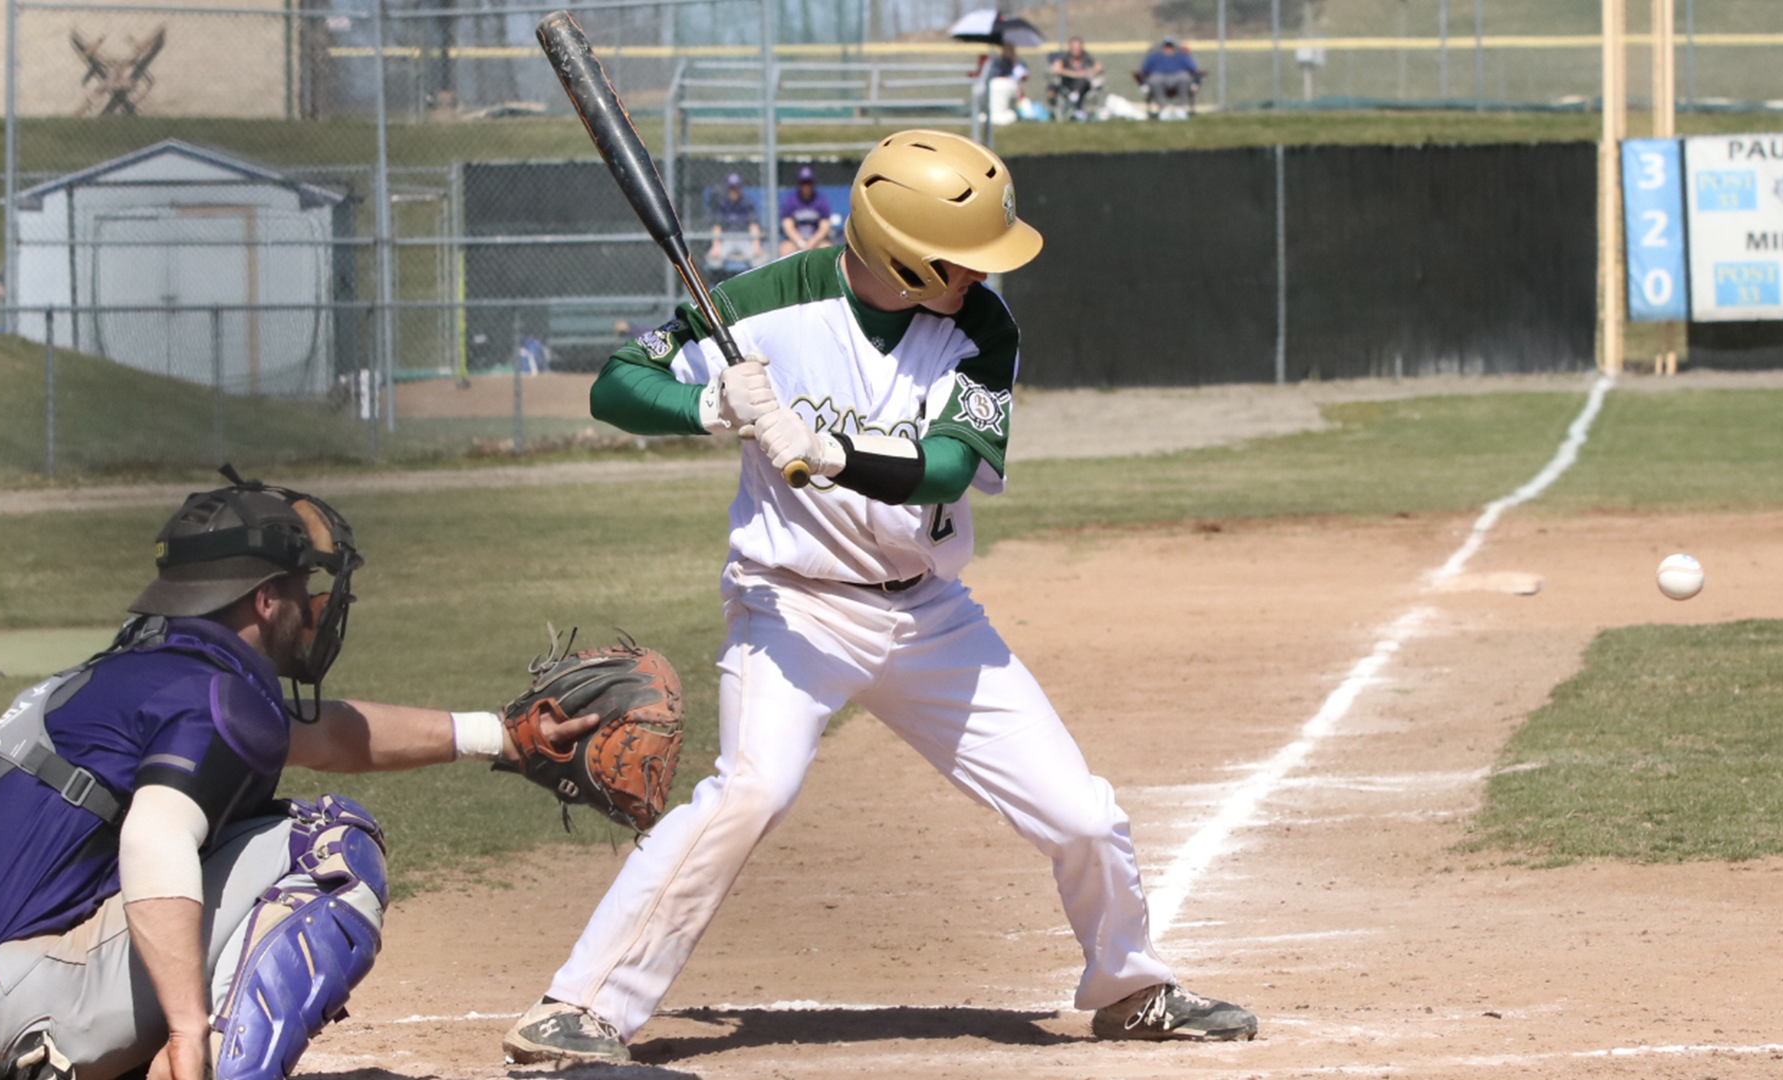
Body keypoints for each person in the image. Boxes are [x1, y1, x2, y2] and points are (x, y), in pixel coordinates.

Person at [500, 129, 1259, 1068]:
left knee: (1082, 815)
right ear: (902, 252)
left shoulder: (982, 325)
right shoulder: (764, 303)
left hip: (929, 615)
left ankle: (1129, 988)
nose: (981, 276)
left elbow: (947, 465)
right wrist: (709, 408)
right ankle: (576, 1009)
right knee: (751, 790)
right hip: (790, 607)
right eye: (962, 258)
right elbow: (617, 384)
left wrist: (833, 452)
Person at [0, 473, 597, 1080]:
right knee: (329, 845)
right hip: (35, 1004)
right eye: (303, 589)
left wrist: (501, 737)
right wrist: (189, 1032)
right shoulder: (214, 698)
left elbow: (330, 734)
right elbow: (153, 839)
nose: (313, 607)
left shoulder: (148, 675)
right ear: (267, 599)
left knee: (248, 831)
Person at [704, 173, 764, 287]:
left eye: (736, 188)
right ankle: (718, 287)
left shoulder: (746, 202)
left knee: (759, 259)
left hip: (744, 239)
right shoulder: (722, 203)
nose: (734, 191)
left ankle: (754, 287)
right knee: (713, 259)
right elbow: (717, 226)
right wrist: (716, 246)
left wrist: (756, 245)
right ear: (727, 188)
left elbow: (753, 225)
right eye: (731, 188)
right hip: (726, 239)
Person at [1138, 36, 1201, 120]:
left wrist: (1196, 82)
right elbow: (1144, 70)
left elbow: (1194, 70)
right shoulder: (1154, 56)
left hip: (1178, 76)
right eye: (1166, 46)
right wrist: (1143, 83)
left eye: (1170, 46)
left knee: (1185, 78)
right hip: (1159, 76)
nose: (1168, 48)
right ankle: (1163, 109)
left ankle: (1181, 108)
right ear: (1163, 47)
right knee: (1154, 80)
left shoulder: (1183, 56)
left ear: (1174, 47)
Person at [777, 165, 834, 257]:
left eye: (808, 182)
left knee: (827, 248)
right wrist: (800, 243)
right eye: (803, 183)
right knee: (785, 248)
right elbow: (788, 226)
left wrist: (812, 243)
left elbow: (824, 226)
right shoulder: (791, 200)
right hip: (796, 240)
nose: (806, 186)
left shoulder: (820, 200)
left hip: (816, 240)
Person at [1049, 37, 1104, 120]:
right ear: (1070, 48)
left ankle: (1075, 98)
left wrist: (1088, 72)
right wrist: (1073, 74)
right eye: (1074, 48)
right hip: (1068, 84)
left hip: (1084, 86)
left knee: (1083, 80)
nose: (1077, 50)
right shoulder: (1065, 58)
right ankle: (1075, 103)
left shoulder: (1086, 57)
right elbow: (1055, 69)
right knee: (1078, 80)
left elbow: (1099, 67)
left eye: (1079, 48)